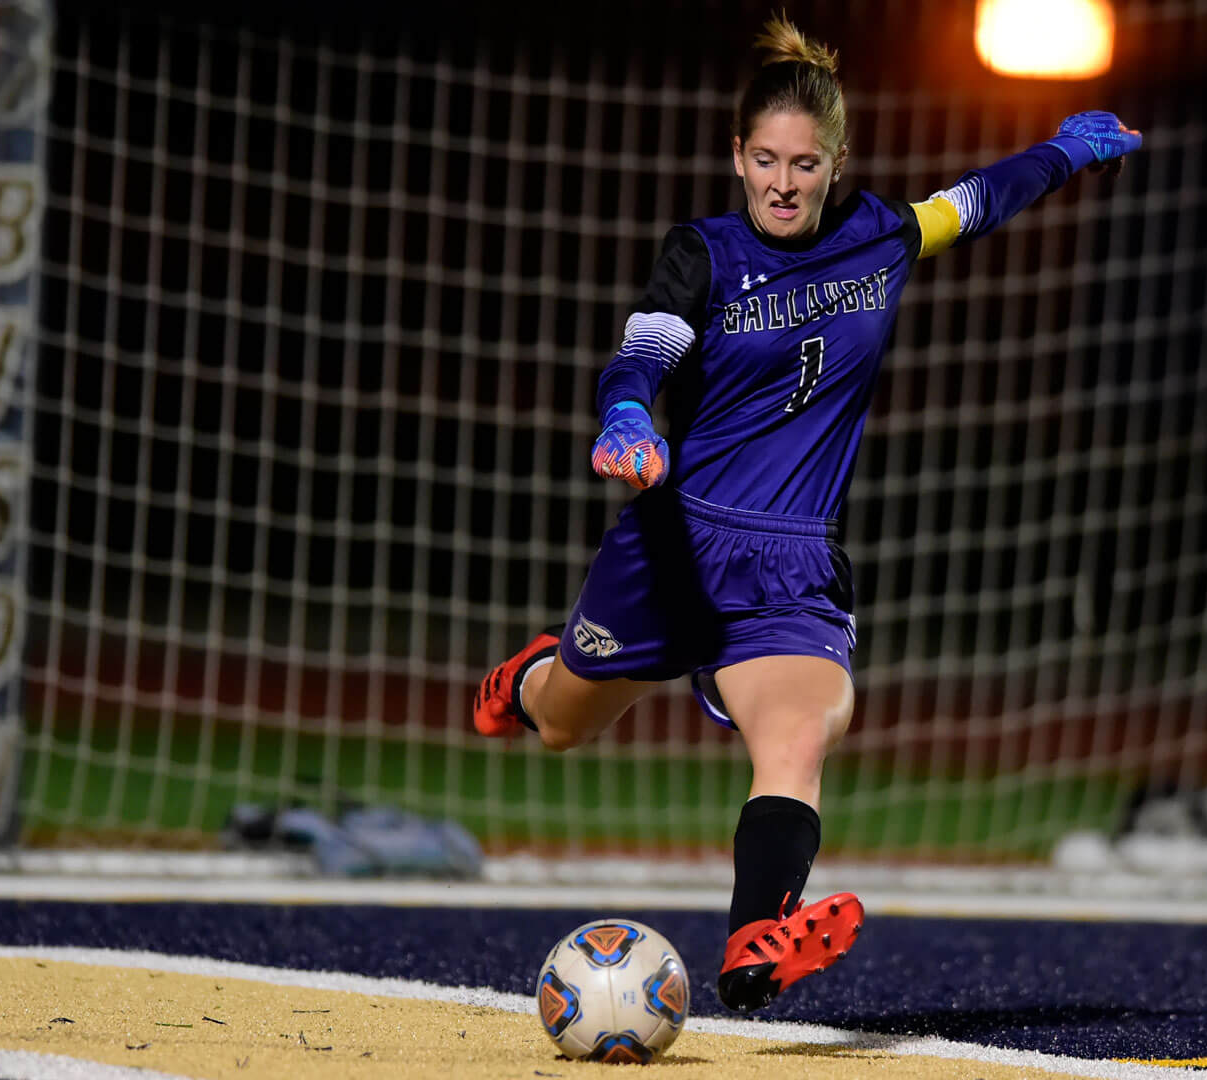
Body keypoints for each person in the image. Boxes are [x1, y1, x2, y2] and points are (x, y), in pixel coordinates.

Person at [474, 13, 1141, 1014]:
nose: (782, 184)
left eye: (804, 164)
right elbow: (648, 346)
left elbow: (975, 202)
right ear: (737, 156)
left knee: (799, 736)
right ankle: (531, 675)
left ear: (837, 164)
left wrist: (1063, 152)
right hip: (676, 546)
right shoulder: (704, 253)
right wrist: (627, 411)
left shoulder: (881, 236)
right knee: (565, 726)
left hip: (790, 562)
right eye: (764, 161)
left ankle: (755, 941)